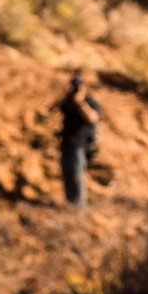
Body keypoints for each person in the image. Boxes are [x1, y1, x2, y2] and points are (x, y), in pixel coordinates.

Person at [49, 73, 101, 208]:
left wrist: (80, 102)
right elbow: (51, 109)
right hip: (65, 145)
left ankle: (79, 209)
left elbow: (92, 118)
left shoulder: (90, 102)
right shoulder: (68, 101)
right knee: (67, 177)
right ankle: (70, 206)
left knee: (77, 178)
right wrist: (66, 95)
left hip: (80, 146)